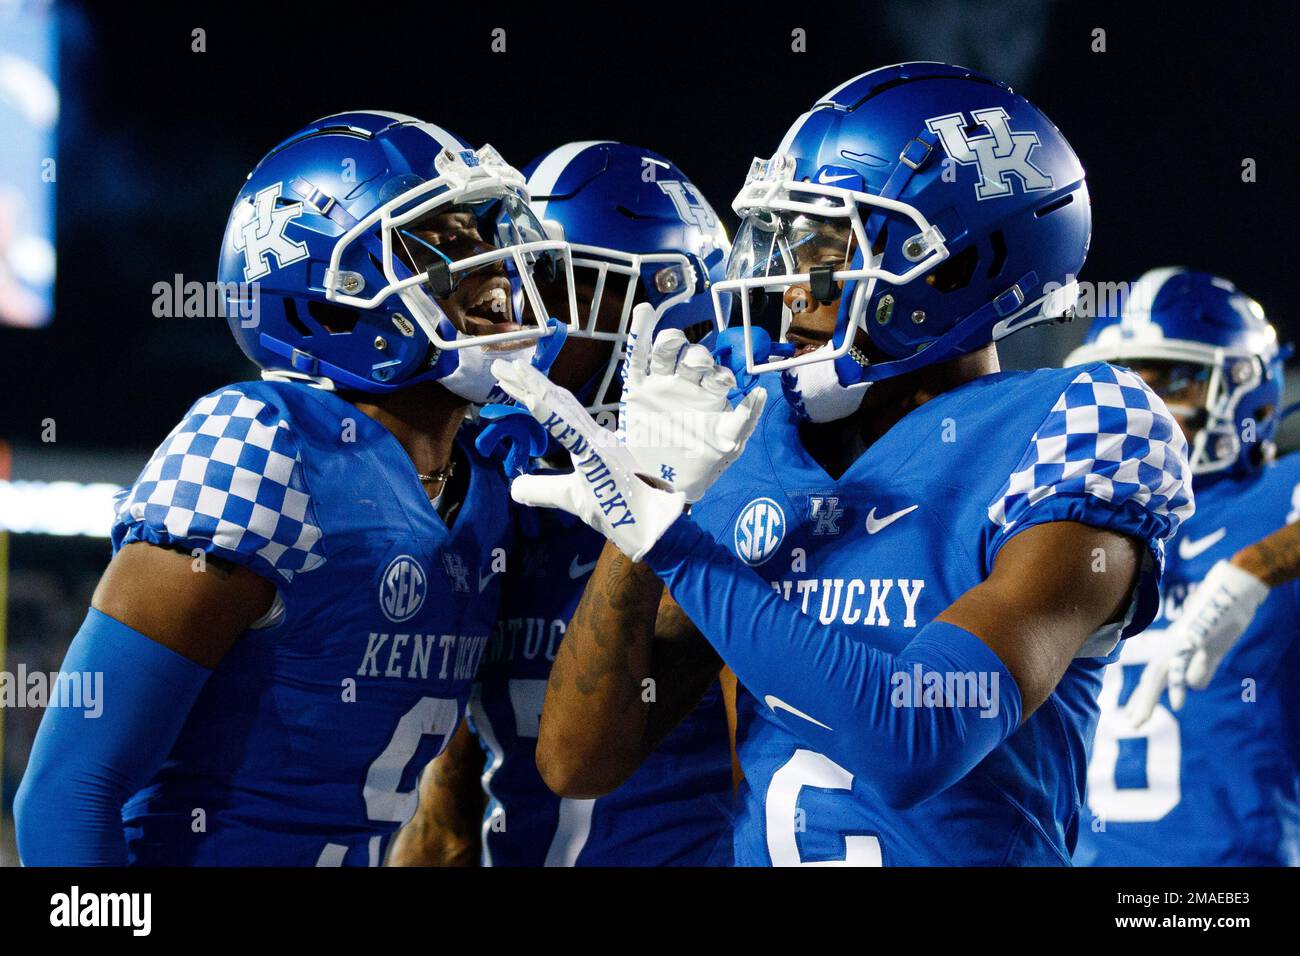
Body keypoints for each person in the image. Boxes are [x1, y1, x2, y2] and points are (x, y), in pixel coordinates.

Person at [490, 62, 1195, 865]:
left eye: (826, 244)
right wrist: (640, 517)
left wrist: (678, 548)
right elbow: (580, 762)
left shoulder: (1072, 426)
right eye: (784, 240)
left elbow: (915, 738)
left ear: (957, 262)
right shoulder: (758, 435)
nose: (791, 286)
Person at [14, 111, 572, 865]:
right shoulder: (263, 447)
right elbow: (69, 790)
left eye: (482, 235)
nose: (495, 265)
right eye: (443, 240)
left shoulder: (489, 486)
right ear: (330, 287)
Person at [387, 142, 736, 866]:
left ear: (662, 310)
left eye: (551, 278)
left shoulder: (736, 501)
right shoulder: (491, 486)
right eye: (510, 273)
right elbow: (449, 810)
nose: (517, 308)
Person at [1069, 268, 1300, 865]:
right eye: (1124, 385)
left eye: (1174, 380)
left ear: (1252, 392)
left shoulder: (1278, 498)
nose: (1144, 412)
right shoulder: (1068, 525)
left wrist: (1259, 565)